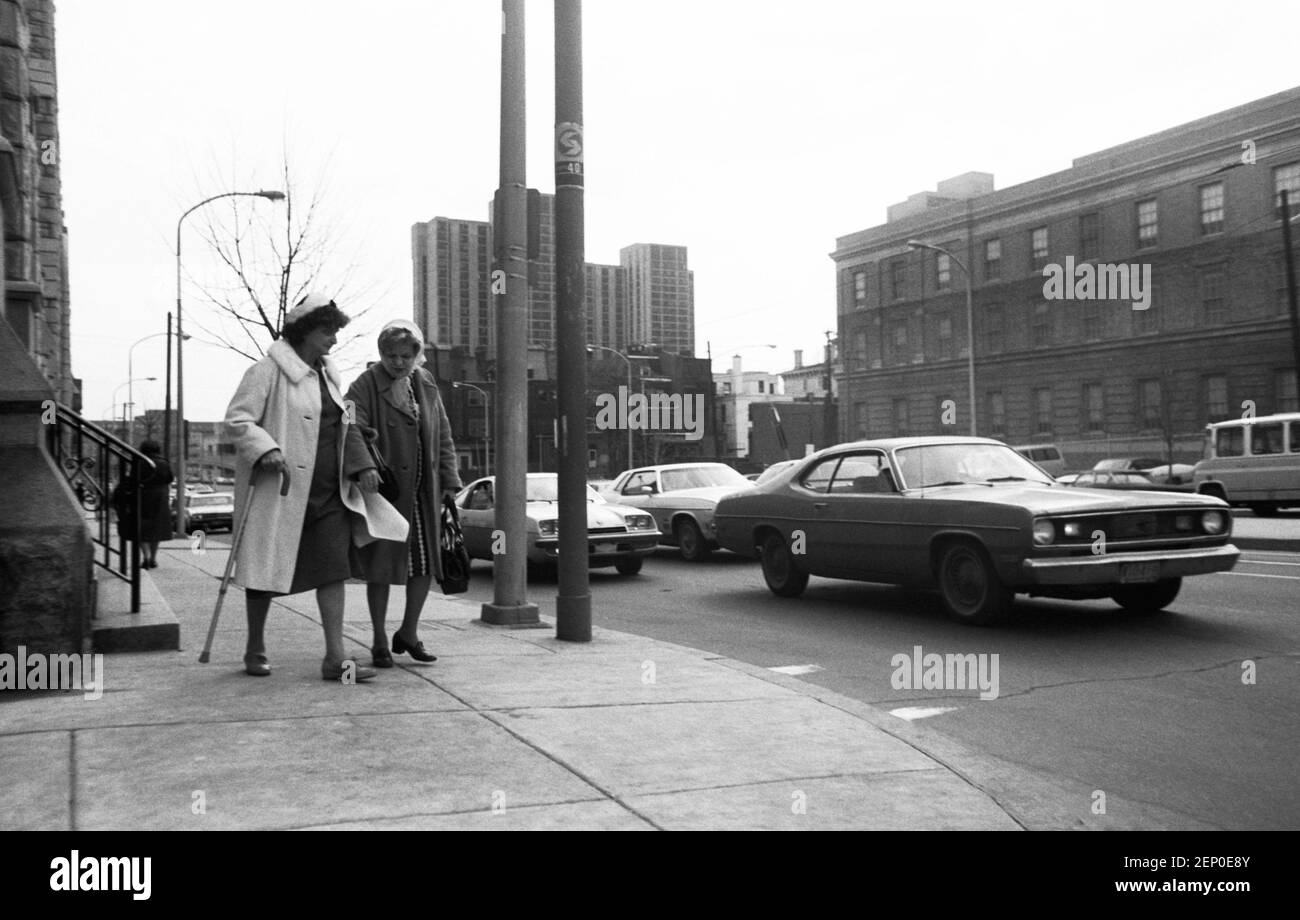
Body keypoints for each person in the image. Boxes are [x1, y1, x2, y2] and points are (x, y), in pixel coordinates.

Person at [224, 293, 408, 681]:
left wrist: (361, 456)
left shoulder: (330, 376)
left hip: (328, 491)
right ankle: (255, 646)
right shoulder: (266, 371)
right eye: (328, 331)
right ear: (305, 331)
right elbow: (239, 420)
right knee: (265, 570)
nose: (334, 339)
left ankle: (335, 658)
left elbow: (344, 423)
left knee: (333, 570)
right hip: (282, 490)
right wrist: (266, 449)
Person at [346, 319, 461, 667]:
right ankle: (380, 640)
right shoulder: (364, 384)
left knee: (425, 564)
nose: (398, 362)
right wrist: (363, 466)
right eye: (390, 355)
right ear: (381, 354)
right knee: (380, 567)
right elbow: (348, 423)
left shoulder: (425, 383)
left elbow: (443, 433)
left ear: (416, 355)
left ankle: (409, 632)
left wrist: (450, 480)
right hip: (386, 492)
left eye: (405, 356)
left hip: (424, 492)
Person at [112, 439, 174, 568]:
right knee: (156, 531)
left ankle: (146, 557)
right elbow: (169, 479)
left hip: (142, 498)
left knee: (141, 530)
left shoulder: (139, 462)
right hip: (160, 499)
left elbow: (133, 480)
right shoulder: (164, 463)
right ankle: (153, 558)